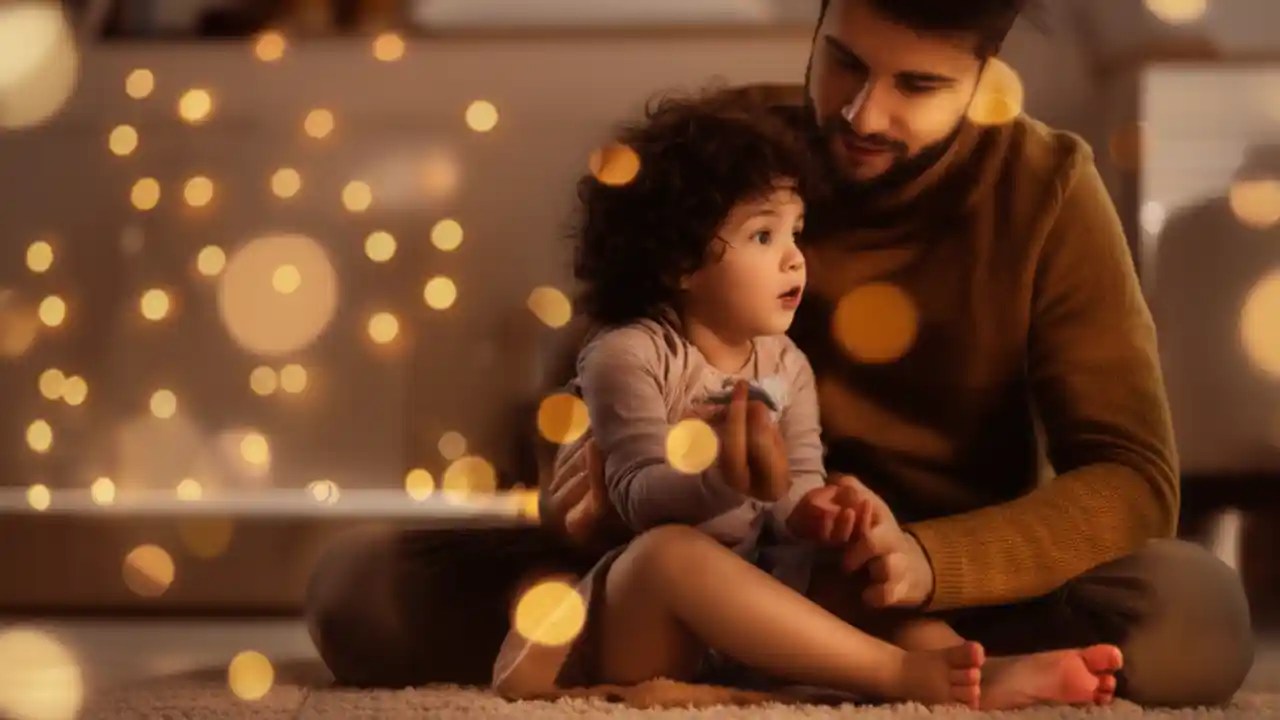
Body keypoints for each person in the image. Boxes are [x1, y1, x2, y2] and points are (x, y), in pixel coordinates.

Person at [305, 0, 1255, 706]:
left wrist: (927, 559)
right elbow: (603, 375)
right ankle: (809, 657)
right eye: (844, 63)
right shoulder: (732, 152)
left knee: (1195, 616)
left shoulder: (1048, 189)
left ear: (986, 74)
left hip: (918, 568)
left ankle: (855, 655)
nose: (863, 116)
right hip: (689, 547)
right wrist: (569, 482)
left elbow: (1132, 478)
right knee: (361, 590)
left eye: (917, 86)